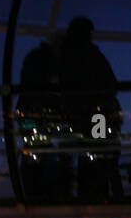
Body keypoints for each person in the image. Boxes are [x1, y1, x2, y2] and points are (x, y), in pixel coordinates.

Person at [59, 16, 123, 202]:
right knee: (99, 155)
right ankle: (98, 192)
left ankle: (76, 193)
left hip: (76, 115)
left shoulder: (66, 56)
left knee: (75, 155)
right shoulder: (92, 55)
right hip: (97, 115)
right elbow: (111, 84)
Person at [17, 33, 66, 202]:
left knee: (34, 150)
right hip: (36, 115)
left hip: (29, 114)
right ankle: (42, 191)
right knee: (38, 150)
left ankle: (34, 191)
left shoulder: (35, 58)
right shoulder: (48, 62)